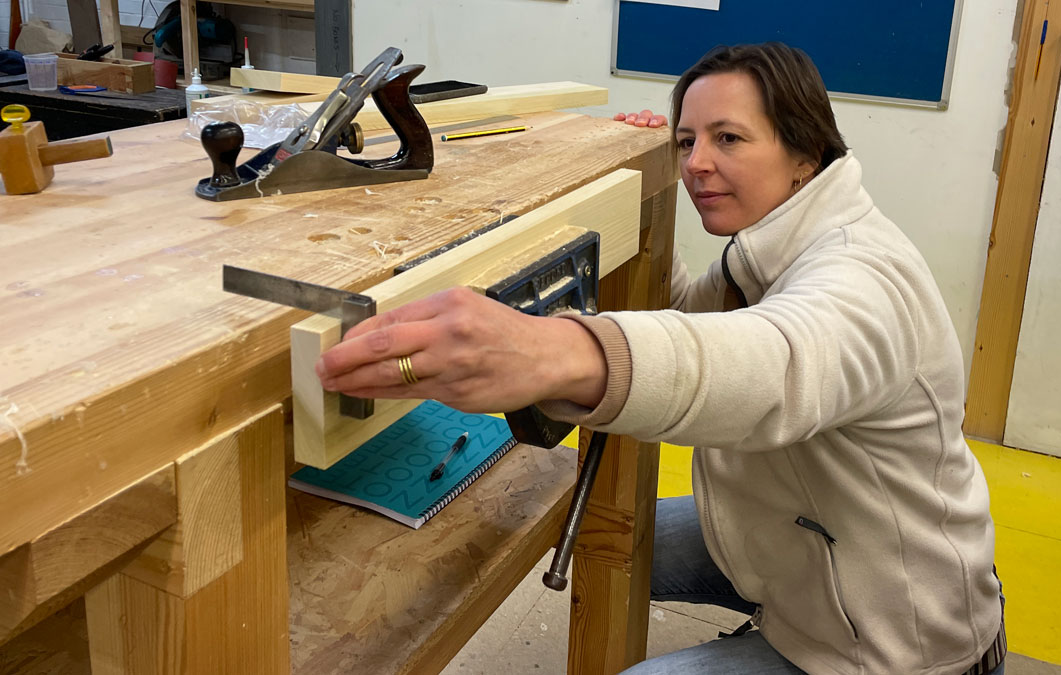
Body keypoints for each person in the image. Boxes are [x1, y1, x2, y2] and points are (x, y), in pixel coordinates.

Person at [316, 43, 1005, 675]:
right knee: (586, 530)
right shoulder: (765, 251)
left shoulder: (863, 277)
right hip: (813, 540)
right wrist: (641, 199)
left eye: (728, 138)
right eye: (686, 141)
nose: (696, 162)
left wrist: (559, 348)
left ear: (805, 153)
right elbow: (683, 316)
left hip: (900, 645)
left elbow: (774, 367)